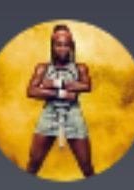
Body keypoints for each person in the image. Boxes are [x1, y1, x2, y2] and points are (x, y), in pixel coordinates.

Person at [26, 26, 95, 177]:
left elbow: (86, 86)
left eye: (66, 45)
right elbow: (31, 91)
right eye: (58, 44)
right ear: (52, 46)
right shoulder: (42, 68)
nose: (62, 49)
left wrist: (54, 83)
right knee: (33, 163)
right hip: (49, 114)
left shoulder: (80, 68)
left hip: (73, 114)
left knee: (86, 166)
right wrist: (62, 92)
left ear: (71, 46)